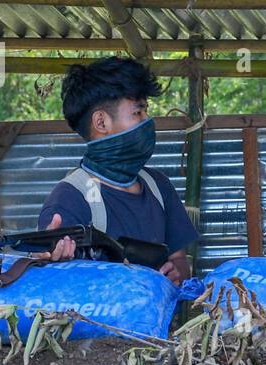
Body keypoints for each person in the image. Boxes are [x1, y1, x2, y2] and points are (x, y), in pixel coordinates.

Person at [35, 56, 199, 286]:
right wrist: (51, 260)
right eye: (138, 112)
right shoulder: (69, 200)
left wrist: (178, 274)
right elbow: (53, 281)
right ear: (101, 123)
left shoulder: (158, 186)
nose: (148, 121)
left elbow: (179, 260)